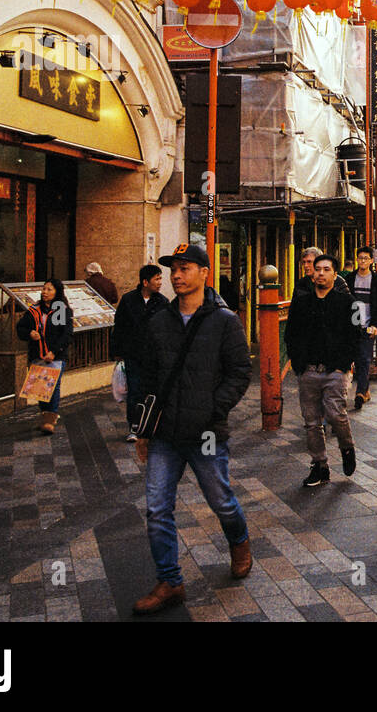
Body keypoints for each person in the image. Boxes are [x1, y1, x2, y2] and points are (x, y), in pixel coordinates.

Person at [132, 244, 252, 615]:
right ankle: (170, 580)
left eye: (185, 268)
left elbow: (239, 372)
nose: (177, 276)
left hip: (205, 432)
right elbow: (146, 377)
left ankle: (239, 540)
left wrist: (212, 409)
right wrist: (141, 429)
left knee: (220, 500)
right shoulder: (159, 321)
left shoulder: (224, 320)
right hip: (165, 433)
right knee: (157, 508)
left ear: (204, 272)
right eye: (173, 270)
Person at [285, 253, 358, 488]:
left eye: (326, 269)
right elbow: (291, 334)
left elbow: (355, 335)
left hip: (335, 370)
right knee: (311, 421)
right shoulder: (302, 301)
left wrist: (344, 364)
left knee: (336, 413)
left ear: (334, 274)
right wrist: (298, 363)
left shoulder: (347, 302)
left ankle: (347, 447)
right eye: (317, 269)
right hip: (308, 370)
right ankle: (319, 465)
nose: (320, 273)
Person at [111, 264, 170, 443]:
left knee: (153, 391)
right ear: (145, 282)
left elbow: (167, 331)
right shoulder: (128, 300)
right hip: (133, 355)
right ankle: (134, 427)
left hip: (154, 357)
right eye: (157, 279)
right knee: (135, 390)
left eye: (161, 278)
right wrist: (117, 351)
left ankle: (152, 426)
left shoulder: (163, 302)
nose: (160, 282)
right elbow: (119, 326)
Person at [15, 278, 73, 435]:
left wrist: (53, 351)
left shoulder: (60, 309)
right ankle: (46, 416)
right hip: (38, 354)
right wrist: (29, 333)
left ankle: (49, 419)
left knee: (52, 386)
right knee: (41, 387)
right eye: (44, 289)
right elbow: (20, 327)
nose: (44, 292)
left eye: (49, 289)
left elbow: (65, 334)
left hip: (56, 355)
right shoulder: (34, 310)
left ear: (57, 292)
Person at [344, 247, 377, 410]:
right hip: (351, 327)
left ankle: (360, 393)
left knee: (364, 360)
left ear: (371, 261)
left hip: (368, 327)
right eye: (360, 258)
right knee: (352, 359)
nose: (362, 261)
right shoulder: (349, 279)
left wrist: (376, 325)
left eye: (365, 258)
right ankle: (365, 390)